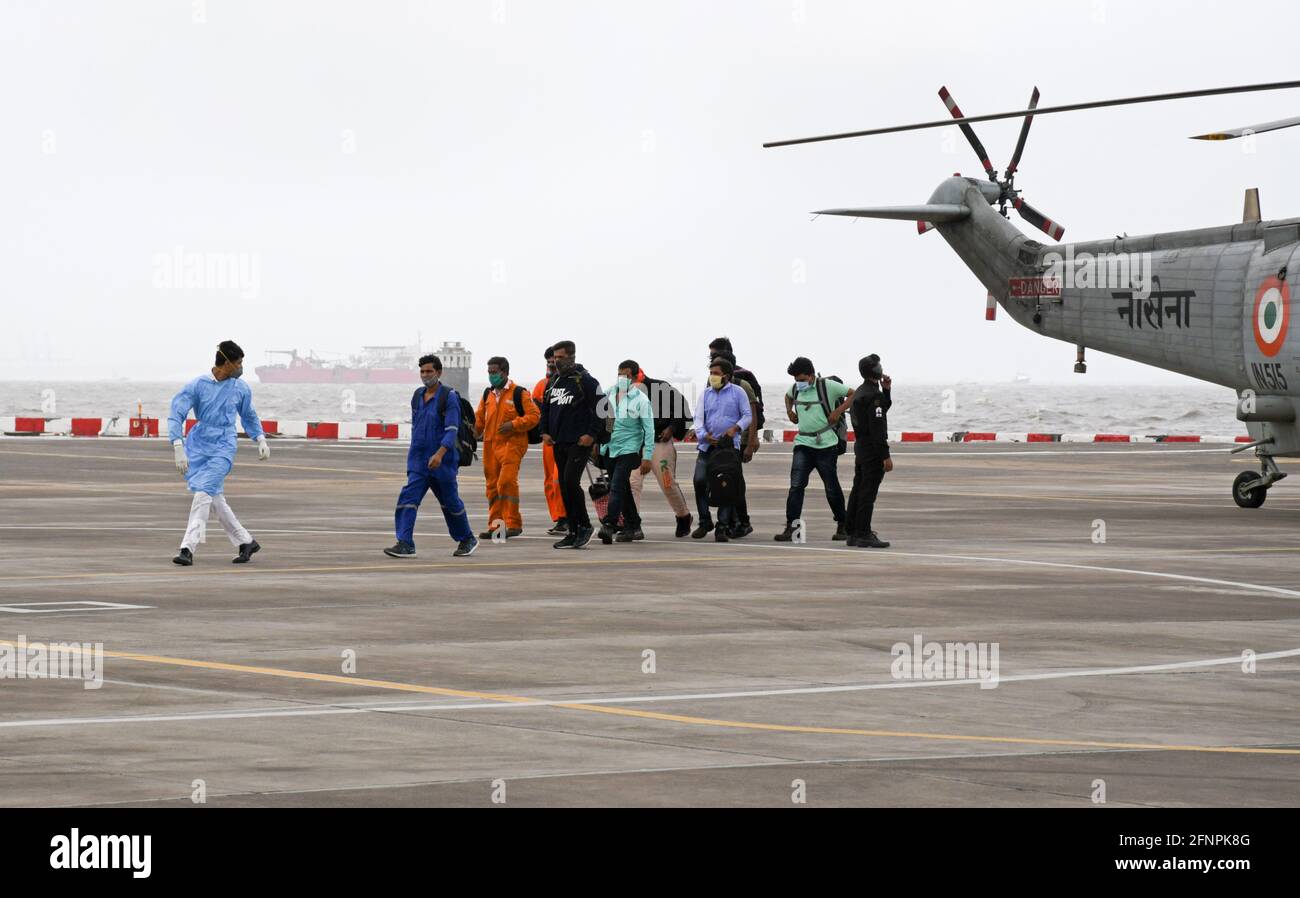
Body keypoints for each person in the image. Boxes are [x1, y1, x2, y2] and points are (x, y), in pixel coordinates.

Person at [167, 340, 270, 565]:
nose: (242, 367)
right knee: (214, 498)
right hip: (199, 444)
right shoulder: (198, 385)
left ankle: (187, 548)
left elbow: (249, 415)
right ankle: (246, 541)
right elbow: (176, 413)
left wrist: (260, 438)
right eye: (239, 362)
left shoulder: (241, 388)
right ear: (226, 363)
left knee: (203, 493)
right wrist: (177, 445)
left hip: (224, 445)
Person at [385, 354, 477, 558]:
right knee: (408, 498)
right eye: (422, 371)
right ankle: (405, 543)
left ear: (439, 372)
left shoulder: (448, 397)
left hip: (442, 461)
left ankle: (467, 538)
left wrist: (440, 454)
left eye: (429, 371)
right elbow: (417, 427)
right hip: (418, 461)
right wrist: (413, 456)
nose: (425, 375)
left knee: (450, 503)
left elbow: (452, 429)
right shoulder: (417, 395)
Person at [777, 356, 852, 541]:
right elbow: (787, 396)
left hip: (826, 445)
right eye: (795, 380)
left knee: (831, 487)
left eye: (801, 379)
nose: (798, 383)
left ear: (811, 376)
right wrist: (789, 411)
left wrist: (838, 411)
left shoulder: (827, 386)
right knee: (796, 486)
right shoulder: (795, 388)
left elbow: (854, 394)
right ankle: (792, 529)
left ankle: (843, 524)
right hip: (803, 443)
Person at [539, 340, 604, 549]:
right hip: (559, 442)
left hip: (579, 442)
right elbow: (546, 409)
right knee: (564, 487)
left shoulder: (585, 381)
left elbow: (603, 410)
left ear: (571, 357)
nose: (556, 362)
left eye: (560, 357)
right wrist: (545, 431)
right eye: (554, 358)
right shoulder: (554, 382)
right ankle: (573, 530)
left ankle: (584, 526)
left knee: (570, 482)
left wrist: (592, 435)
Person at [475, 356, 540, 539]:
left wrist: (514, 424)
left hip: (512, 444)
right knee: (492, 486)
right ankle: (497, 527)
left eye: (494, 372)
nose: (491, 376)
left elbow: (534, 416)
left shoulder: (519, 393)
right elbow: (479, 420)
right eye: (489, 372)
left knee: (506, 482)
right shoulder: (487, 394)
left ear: (505, 372)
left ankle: (513, 523)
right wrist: (469, 433)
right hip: (490, 445)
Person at [628, 364, 693, 537]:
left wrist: (672, 428)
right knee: (633, 484)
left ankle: (683, 515)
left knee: (667, 482)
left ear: (638, 374)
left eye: (629, 377)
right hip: (636, 444)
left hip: (659, 442)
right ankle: (632, 524)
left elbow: (684, 410)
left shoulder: (661, 388)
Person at [690, 357, 752, 542]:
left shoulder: (738, 392)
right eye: (710, 373)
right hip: (707, 446)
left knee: (726, 485)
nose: (712, 377)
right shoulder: (705, 394)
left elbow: (747, 415)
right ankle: (704, 521)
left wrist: (735, 428)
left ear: (726, 375)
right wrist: (703, 434)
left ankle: (722, 527)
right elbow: (698, 418)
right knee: (699, 481)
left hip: (727, 449)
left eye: (716, 374)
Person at [597, 361, 656, 543]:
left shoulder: (641, 400)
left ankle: (609, 524)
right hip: (610, 448)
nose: (623, 378)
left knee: (616, 486)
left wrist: (647, 457)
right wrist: (598, 445)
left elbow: (649, 430)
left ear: (635, 377)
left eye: (628, 375)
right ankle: (634, 526)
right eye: (621, 374)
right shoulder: (608, 393)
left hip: (629, 450)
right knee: (622, 489)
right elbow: (603, 420)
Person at [710, 348, 759, 537]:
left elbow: (752, 414)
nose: (712, 375)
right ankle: (733, 521)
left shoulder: (742, 386)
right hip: (720, 443)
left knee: (733, 481)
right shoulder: (711, 387)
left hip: (738, 441)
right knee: (726, 480)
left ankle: (741, 521)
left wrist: (751, 441)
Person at [845, 354, 893, 549]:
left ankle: (853, 532)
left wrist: (886, 391)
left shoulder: (861, 392)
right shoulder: (874, 396)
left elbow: (879, 412)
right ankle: (864, 533)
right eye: (878, 365)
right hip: (872, 450)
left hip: (861, 448)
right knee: (867, 492)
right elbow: (878, 427)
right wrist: (885, 456)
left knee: (858, 490)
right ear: (874, 370)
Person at [532, 347, 567, 535]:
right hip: (548, 442)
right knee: (549, 482)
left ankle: (565, 517)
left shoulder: (569, 384)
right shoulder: (541, 386)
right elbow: (535, 414)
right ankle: (557, 517)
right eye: (548, 362)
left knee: (558, 480)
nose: (551, 364)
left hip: (564, 441)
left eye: (554, 361)